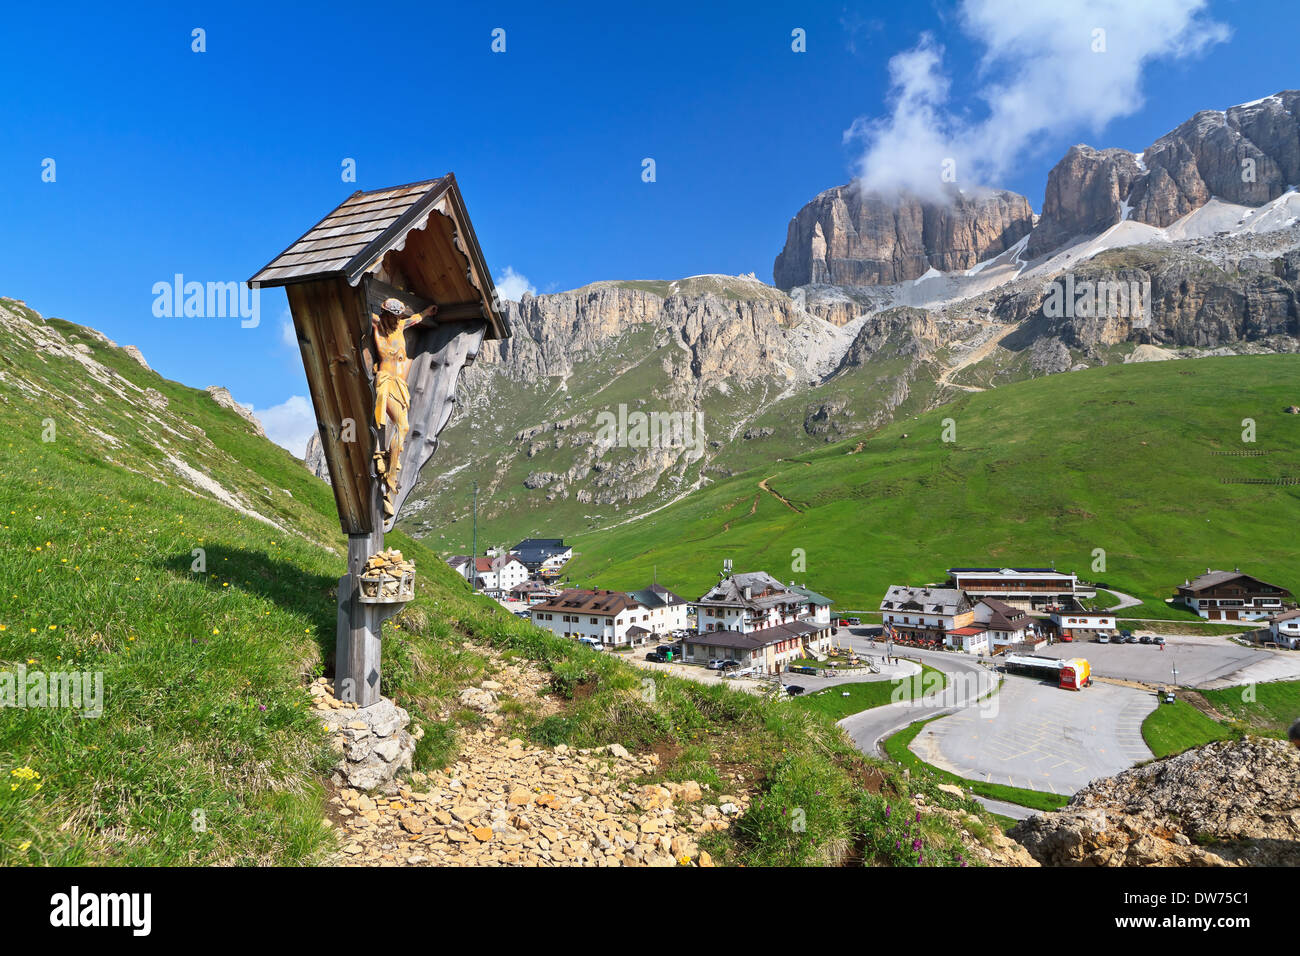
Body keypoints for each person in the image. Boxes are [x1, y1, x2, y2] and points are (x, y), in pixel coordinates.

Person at [371, 296, 438, 517]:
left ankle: (392, 460)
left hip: (400, 384)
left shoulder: (401, 326)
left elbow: (414, 319)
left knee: (404, 427)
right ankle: (390, 471)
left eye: (399, 315)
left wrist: (427, 312)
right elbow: (357, 311)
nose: (397, 319)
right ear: (386, 314)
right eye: (394, 315)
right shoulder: (376, 325)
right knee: (401, 425)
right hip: (386, 381)